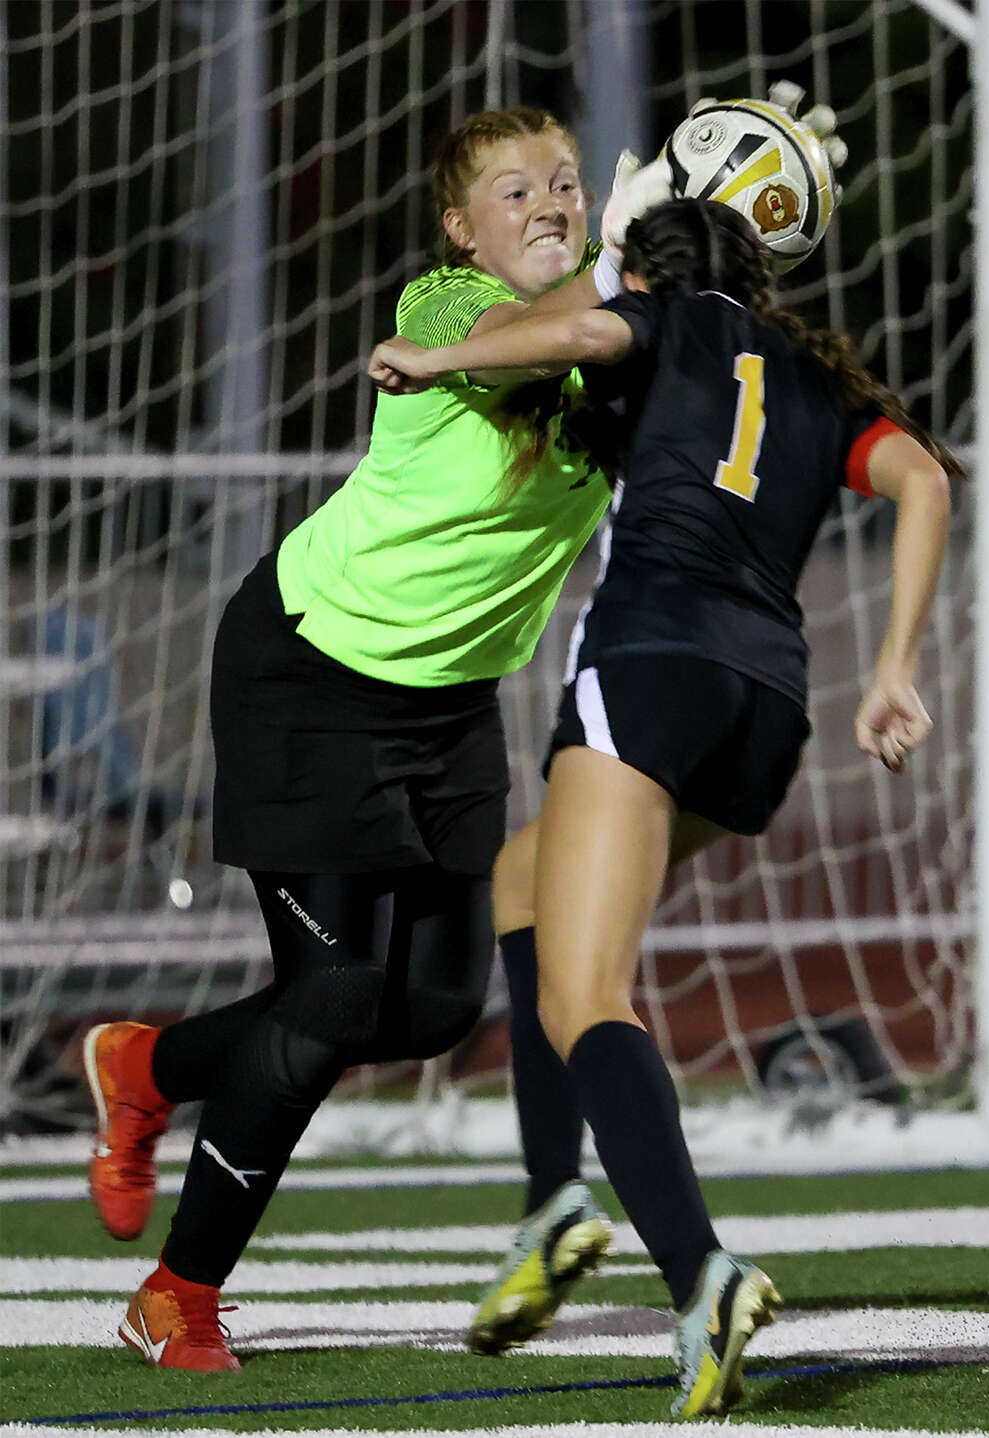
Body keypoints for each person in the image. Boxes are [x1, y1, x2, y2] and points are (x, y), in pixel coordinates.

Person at [81, 103, 678, 1373]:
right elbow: (519, 338)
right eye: (515, 193)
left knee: (435, 1006)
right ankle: (177, 1290)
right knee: (336, 990)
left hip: (448, 701)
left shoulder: (609, 343)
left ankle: (148, 1062)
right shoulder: (461, 309)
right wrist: (620, 256)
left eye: (567, 184)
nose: (552, 203)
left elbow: (652, 356)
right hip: (310, 669)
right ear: (462, 230)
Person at [367, 196, 959, 1416]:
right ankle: (552, 1202)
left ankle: (701, 1275)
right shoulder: (807, 372)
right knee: (523, 881)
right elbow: (927, 482)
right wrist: (894, 664)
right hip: (767, 709)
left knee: (589, 993)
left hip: (652, 662)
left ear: (641, 270)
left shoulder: (659, 321)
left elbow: (582, 341)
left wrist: (437, 355)